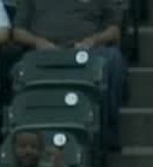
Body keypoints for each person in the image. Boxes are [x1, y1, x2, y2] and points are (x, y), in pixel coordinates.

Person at [11, 0, 128, 151]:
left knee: (113, 58)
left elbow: (114, 30)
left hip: (88, 52)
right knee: (18, 69)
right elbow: (18, 32)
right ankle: (22, 137)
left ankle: (108, 132)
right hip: (44, 53)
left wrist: (94, 40)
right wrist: (38, 42)